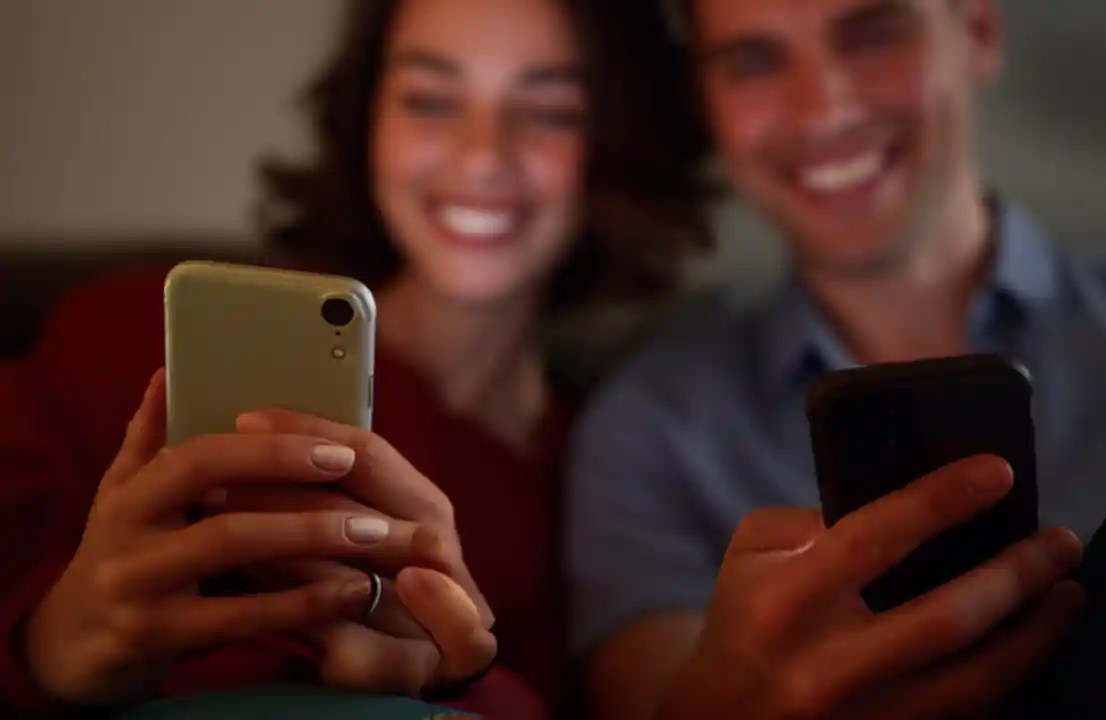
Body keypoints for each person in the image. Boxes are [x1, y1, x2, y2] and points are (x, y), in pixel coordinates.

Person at [567, 0, 1106, 717]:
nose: (823, 109)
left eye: (873, 33)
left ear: (978, 33)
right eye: (753, 62)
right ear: (706, 101)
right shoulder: (651, 427)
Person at [0, 0, 708, 717]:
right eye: (430, 100)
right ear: (369, 121)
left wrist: (457, 680)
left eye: (551, 111)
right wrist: (47, 650)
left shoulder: (615, 467)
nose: (481, 155)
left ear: (619, 140)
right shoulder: (128, 332)